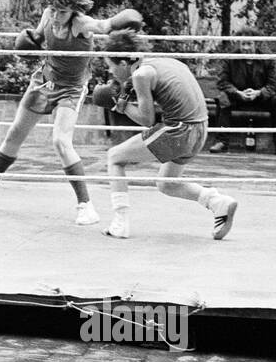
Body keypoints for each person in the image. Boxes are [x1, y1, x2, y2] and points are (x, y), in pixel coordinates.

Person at [0, 0, 142, 223]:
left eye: (61, 11)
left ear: (74, 8)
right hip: (45, 80)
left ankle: (85, 205)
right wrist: (28, 42)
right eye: (52, 8)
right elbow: (39, 37)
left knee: (61, 142)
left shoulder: (81, 23)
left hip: (72, 88)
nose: (55, 15)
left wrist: (130, 17)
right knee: (14, 135)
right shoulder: (48, 15)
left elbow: (106, 26)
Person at [97, 30, 238, 241]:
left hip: (179, 131)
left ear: (124, 62)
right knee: (167, 183)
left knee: (115, 157)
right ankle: (217, 202)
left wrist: (120, 106)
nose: (110, 71)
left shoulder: (141, 75)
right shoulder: (163, 62)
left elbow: (146, 119)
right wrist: (125, 94)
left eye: (111, 65)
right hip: (200, 130)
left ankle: (120, 223)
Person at [209, 32, 276, 155]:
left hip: (260, 98)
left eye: (249, 44)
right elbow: (223, 82)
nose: (246, 48)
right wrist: (237, 92)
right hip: (237, 97)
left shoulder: (267, 60)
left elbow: (273, 85)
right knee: (223, 99)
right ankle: (222, 142)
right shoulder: (230, 59)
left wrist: (259, 93)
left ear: (256, 44)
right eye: (243, 44)